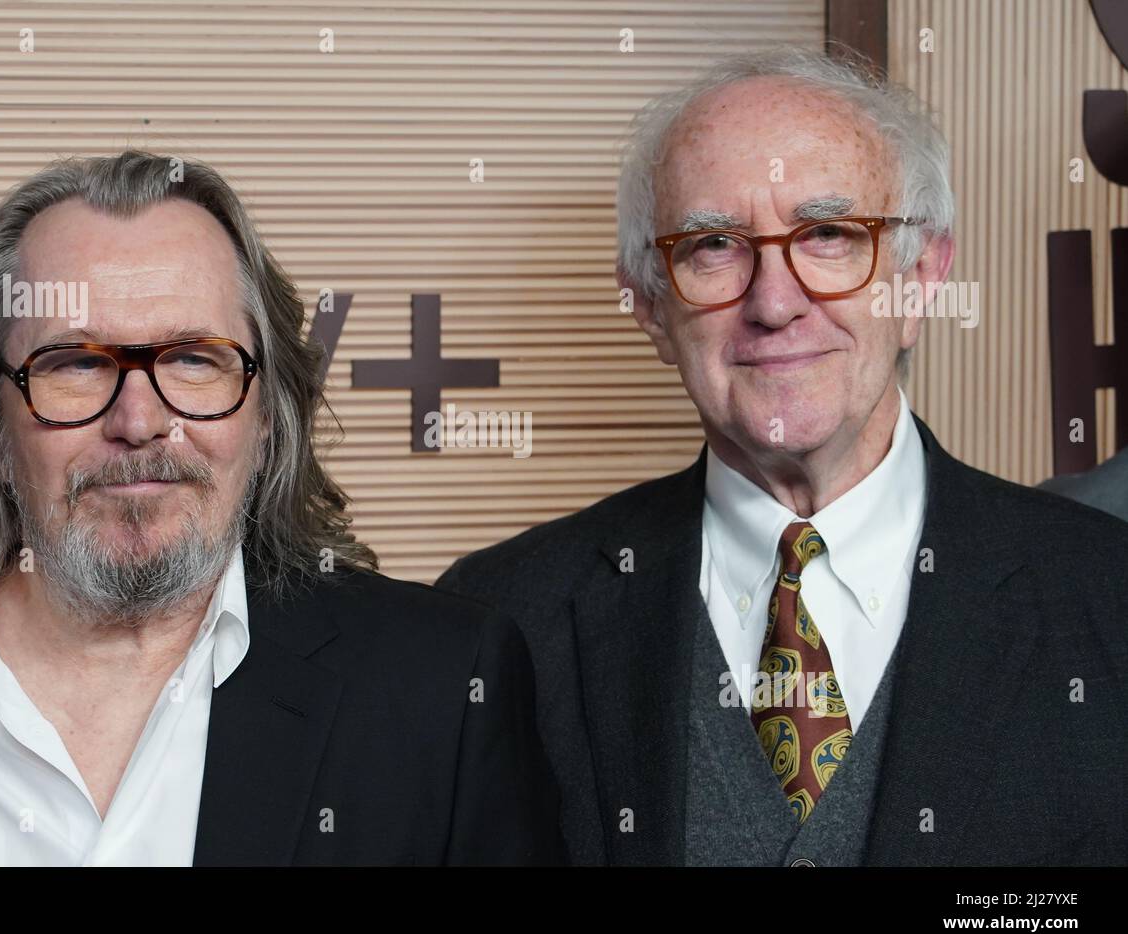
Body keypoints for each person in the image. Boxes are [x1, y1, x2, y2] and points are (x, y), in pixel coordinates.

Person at [437, 46, 1128, 866]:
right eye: (714, 247)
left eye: (829, 234)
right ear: (652, 307)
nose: (774, 301)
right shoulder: (500, 621)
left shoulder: (1108, 596)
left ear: (921, 278)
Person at [0, 150, 563, 866]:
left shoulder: (440, 685)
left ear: (268, 415)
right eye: (78, 363)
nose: (141, 421)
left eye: (193, 359)